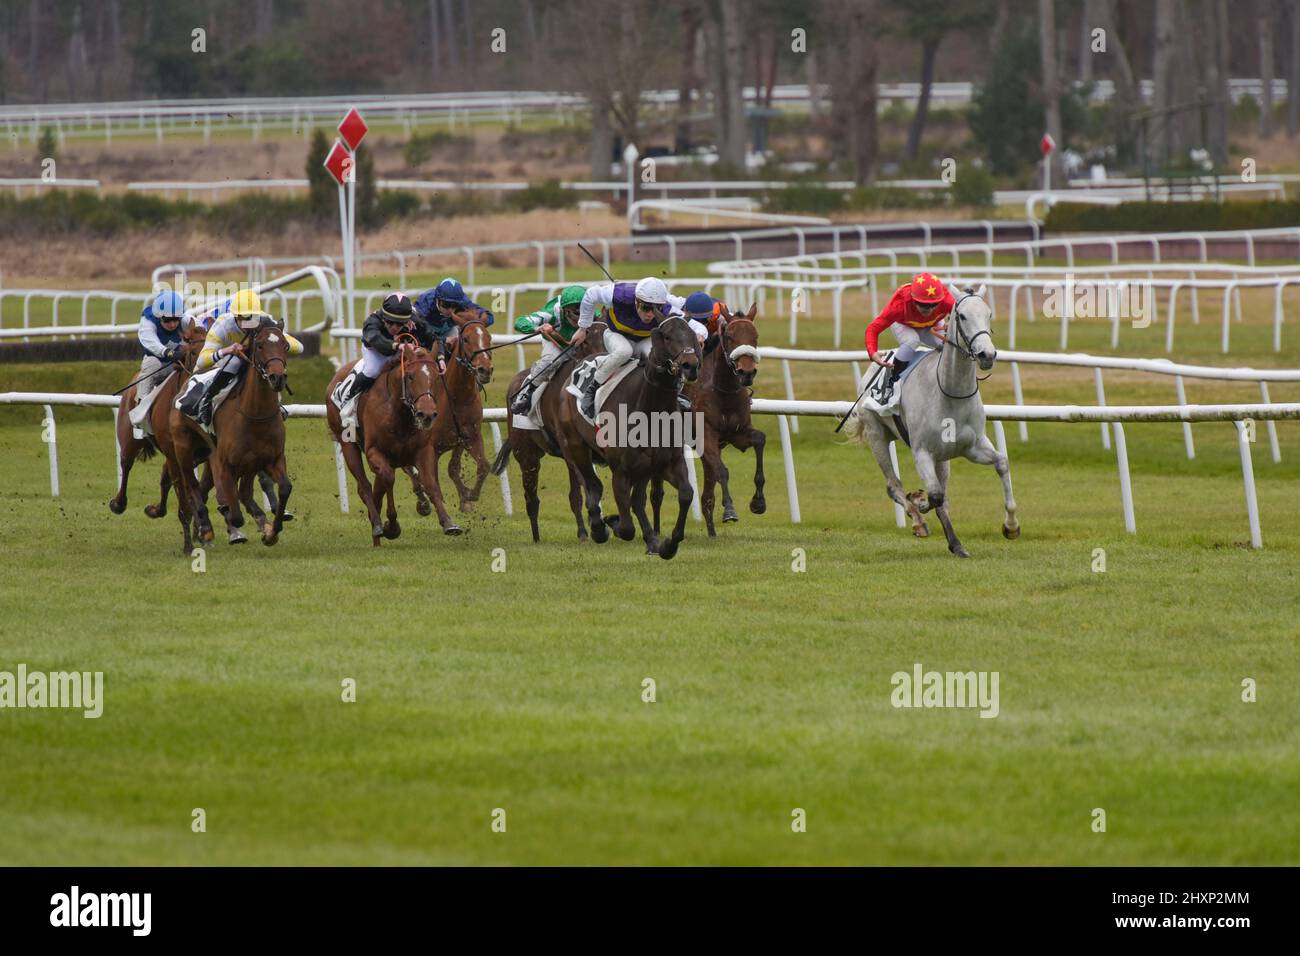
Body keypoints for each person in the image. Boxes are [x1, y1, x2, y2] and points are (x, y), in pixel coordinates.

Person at [570, 277, 705, 419]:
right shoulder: (619, 294)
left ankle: (675, 394)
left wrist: (701, 335)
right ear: (636, 301)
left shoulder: (667, 307)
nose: (650, 314)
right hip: (616, 335)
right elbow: (591, 294)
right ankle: (592, 390)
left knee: (662, 357)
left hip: (644, 340)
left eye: (656, 309)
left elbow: (697, 325)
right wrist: (583, 327)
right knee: (624, 351)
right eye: (646, 308)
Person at [190, 288, 303, 427]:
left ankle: (275, 405)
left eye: (252, 318)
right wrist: (228, 350)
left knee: (268, 367)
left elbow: (299, 347)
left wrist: (278, 343)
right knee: (234, 363)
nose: (248, 323)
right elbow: (201, 362)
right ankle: (207, 400)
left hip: (252, 360)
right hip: (221, 361)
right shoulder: (223, 325)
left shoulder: (265, 322)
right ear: (235, 316)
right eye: (244, 318)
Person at [332, 293, 437, 429]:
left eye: (399, 324)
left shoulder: (416, 319)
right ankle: (347, 396)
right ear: (383, 316)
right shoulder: (372, 321)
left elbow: (433, 338)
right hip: (376, 350)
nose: (394, 327)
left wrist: (437, 357)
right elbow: (376, 339)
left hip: (402, 349)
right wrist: (397, 346)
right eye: (390, 322)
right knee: (372, 370)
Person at [865, 271, 955, 403]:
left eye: (934, 304)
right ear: (913, 300)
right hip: (904, 324)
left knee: (949, 344)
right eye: (924, 305)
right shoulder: (899, 305)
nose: (929, 309)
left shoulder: (947, 300)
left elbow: (964, 315)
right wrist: (872, 353)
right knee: (912, 340)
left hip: (932, 325)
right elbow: (873, 329)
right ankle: (890, 382)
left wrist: (951, 322)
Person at [508, 285, 586, 415]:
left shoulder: (593, 311)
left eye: (582, 311)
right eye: (574, 313)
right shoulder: (552, 312)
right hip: (556, 342)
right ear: (564, 310)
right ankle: (526, 393)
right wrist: (536, 328)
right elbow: (520, 321)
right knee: (551, 360)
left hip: (581, 341)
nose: (578, 319)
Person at [128, 290, 189, 435]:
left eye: (176, 319)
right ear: (159, 316)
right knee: (152, 365)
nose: (173, 324)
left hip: (177, 363)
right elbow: (150, 342)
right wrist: (168, 352)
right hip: (157, 362)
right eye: (167, 320)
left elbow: (198, 327)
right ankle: (141, 418)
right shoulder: (148, 321)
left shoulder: (185, 319)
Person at [413, 277, 494, 348]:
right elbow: (419, 331)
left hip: (448, 332)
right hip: (423, 334)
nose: (450, 310)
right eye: (446, 304)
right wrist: (443, 341)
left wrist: (475, 324)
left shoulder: (463, 302)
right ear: (437, 300)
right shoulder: (425, 304)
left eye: (454, 305)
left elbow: (489, 317)